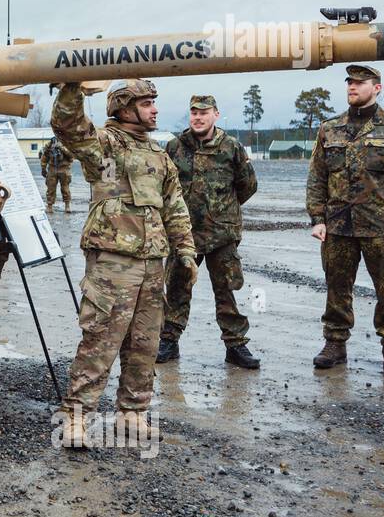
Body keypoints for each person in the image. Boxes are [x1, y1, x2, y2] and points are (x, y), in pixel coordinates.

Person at [50, 79, 196, 446]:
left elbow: (175, 207)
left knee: (144, 344)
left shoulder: (159, 155)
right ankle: (76, 419)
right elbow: (69, 127)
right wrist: (73, 89)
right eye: (147, 103)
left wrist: (186, 251)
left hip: (152, 263)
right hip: (113, 260)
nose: (155, 109)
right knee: (100, 341)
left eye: (153, 103)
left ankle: (132, 414)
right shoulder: (105, 146)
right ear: (124, 107)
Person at [306, 64, 384, 377]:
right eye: (350, 82)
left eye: (360, 82)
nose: (352, 87)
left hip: (382, 227)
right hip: (338, 226)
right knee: (336, 287)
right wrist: (317, 217)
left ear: (377, 88)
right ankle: (335, 344)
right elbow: (317, 176)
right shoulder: (329, 129)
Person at [157, 96, 261, 368]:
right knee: (178, 287)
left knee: (226, 290)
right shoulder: (175, 147)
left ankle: (235, 345)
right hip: (184, 235)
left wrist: (222, 211)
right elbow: (164, 187)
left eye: (204, 113)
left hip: (221, 236)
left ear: (216, 114)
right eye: (193, 113)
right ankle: (169, 340)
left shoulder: (231, 148)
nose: (198, 118)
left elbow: (247, 185)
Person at [40, 137, 75, 212]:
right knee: (50, 188)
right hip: (52, 168)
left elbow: (71, 156)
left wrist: (62, 148)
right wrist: (43, 168)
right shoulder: (50, 144)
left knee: (65, 188)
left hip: (64, 168)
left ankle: (67, 205)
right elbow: (44, 156)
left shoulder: (67, 142)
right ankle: (49, 206)